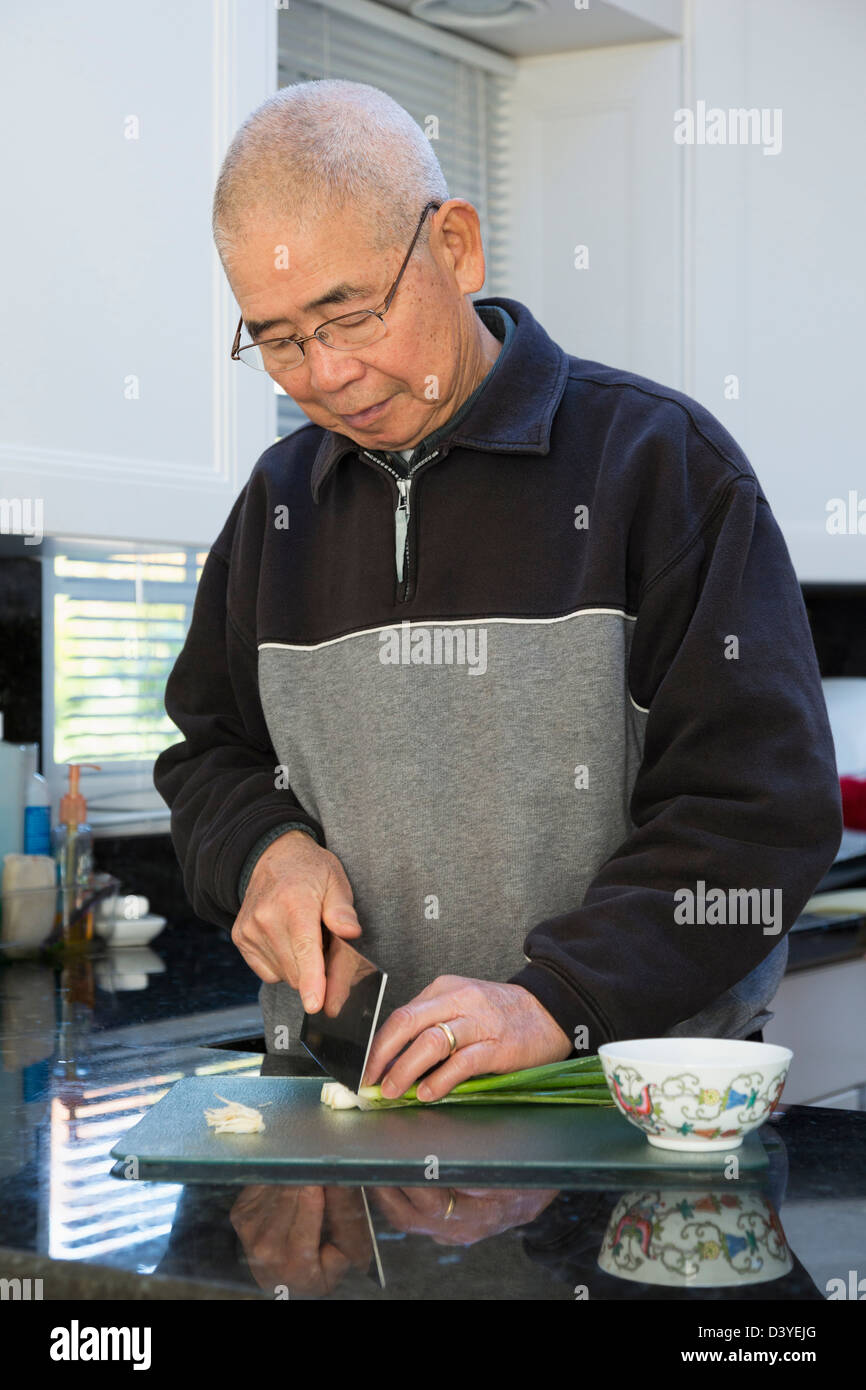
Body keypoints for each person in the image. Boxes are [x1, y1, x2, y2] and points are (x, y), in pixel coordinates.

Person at [153, 79, 842, 1104]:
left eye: (349, 313)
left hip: (622, 1114)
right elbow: (210, 755)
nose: (326, 374)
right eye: (281, 339)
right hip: (344, 1115)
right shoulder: (278, 503)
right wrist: (262, 850)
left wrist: (550, 998)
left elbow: (756, 815)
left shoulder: (660, 466)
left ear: (455, 247)